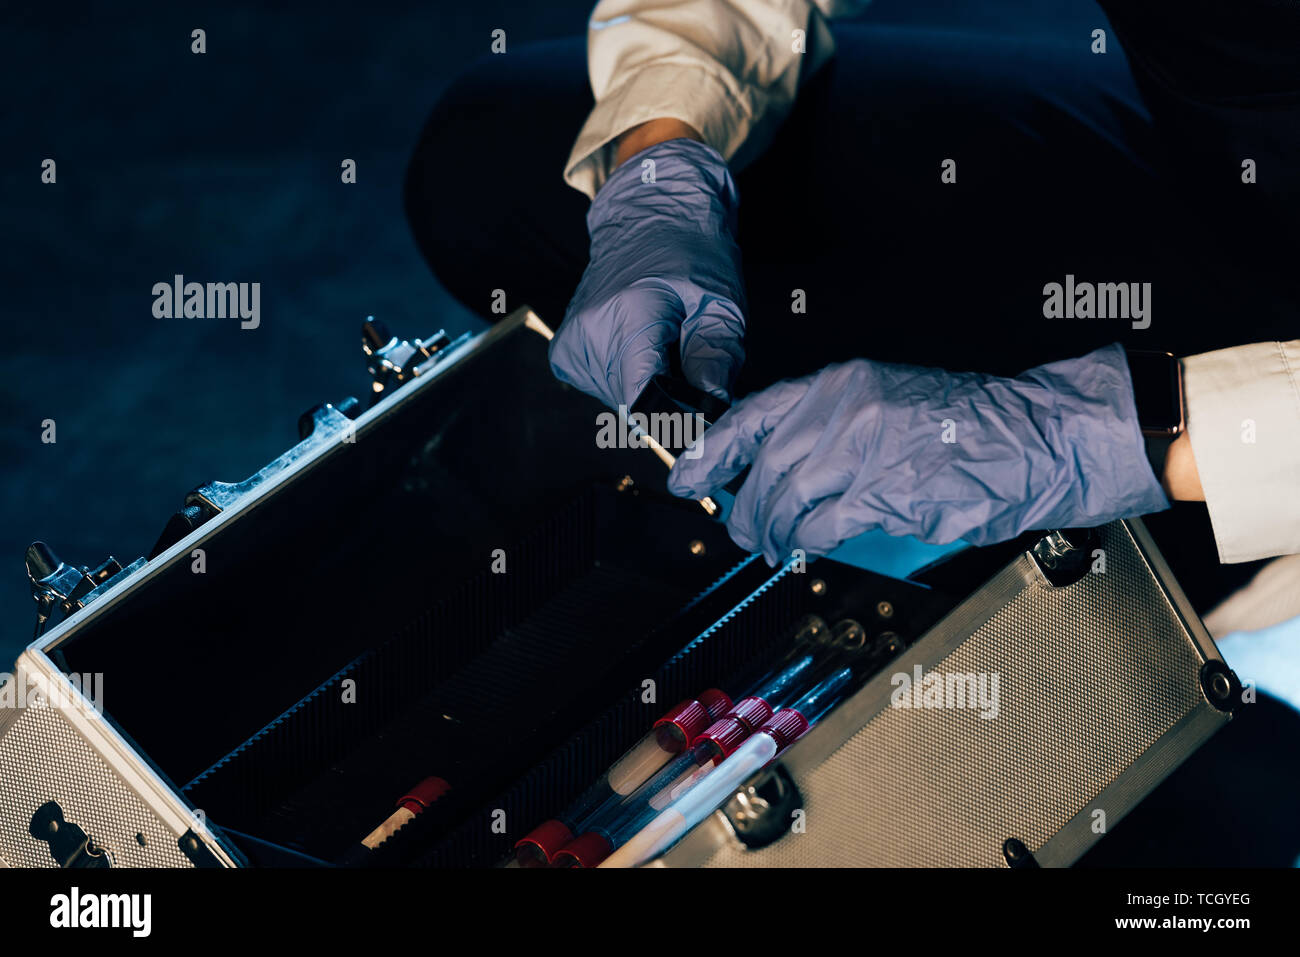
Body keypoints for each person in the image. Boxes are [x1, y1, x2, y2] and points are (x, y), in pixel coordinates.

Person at [405, 0, 1299, 608]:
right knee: (490, 161)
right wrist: (660, 161)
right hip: (1232, 178)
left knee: (1045, 716)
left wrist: (1118, 433)